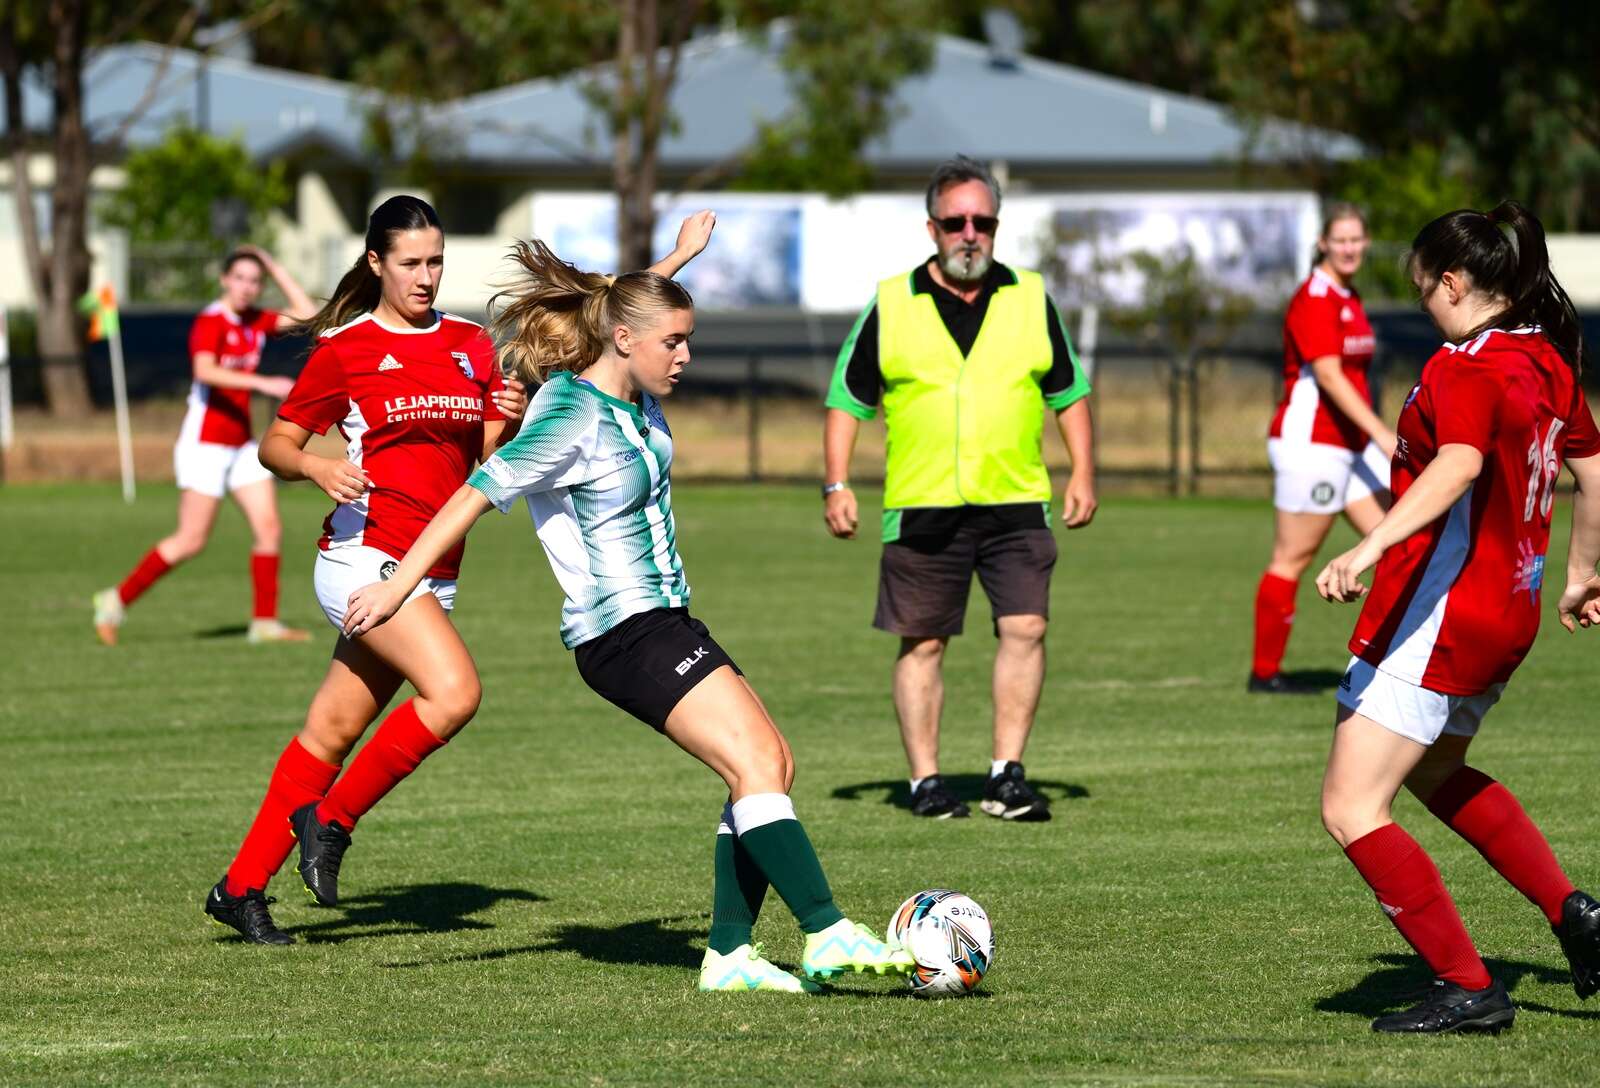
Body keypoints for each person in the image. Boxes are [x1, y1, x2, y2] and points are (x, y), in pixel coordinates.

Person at [339, 231, 916, 994]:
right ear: (623, 340)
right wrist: (397, 584)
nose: (684, 356)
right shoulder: (567, 413)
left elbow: (625, 305)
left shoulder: (632, 389)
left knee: (771, 766)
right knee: (755, 765)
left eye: (688, 340)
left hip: (666, 620)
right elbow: (475, 493)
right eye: (672, 342)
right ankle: (825, 930)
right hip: (622, 632)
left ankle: (731, 955)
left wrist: (675, 263)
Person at [202, 198, 716, 947]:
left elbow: (592, 340)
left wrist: (503, 414)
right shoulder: (345, 348)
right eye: (409, 262)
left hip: (427, 571)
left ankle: (241, 886)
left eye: (435, 261)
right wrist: (316, 467)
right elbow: (273, 446)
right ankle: (333, 819)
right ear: (375, 263)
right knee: (455, 692)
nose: (425, 276)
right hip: (363, 559)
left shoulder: (470, 343)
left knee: (331, 730)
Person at [1314, 201, 1600, 1034]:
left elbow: (1460, 465)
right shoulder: (1544, 357)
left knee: (1351, 807)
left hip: (1445, 613)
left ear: (1452, 281)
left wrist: (1364, 551)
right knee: (1436, 774)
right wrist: (1580, 574)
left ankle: (1467, 985)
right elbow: (1593, 463)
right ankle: (1575, 912)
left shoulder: (1464, 366)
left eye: (1424, 287)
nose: (1423, 303)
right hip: (1508, 609)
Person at [821, 154, 1095, 821]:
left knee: (1026, 627)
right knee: (923, 642)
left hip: (1016, 497)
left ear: (996, 225)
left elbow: (1070, 393)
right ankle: (926, 782)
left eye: (982, 221)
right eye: (955, 222)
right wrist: (836, 483)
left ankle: (1006, 775)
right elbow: (846, 400)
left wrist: (1083, 469)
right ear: (932, 227)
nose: (969, 233)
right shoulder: (891, 302)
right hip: (922, 503)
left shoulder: (1031, 296)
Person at [92, 246, 317, 645]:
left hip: (242, 444)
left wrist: (274, 266)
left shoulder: (255, 320)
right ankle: (115, 599)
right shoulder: (211, 321)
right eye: (240, 278)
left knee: (269, 529)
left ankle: (264, 624)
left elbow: (306, 312)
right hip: (206, 444)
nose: (247, 287)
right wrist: (263, 383)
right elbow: (205, 371)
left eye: (254, 280)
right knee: (191, 540)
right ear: (224, 280)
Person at [1250, 204, 1394, 694]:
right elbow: (1329, 376)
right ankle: (1265, 674)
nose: (1350, 248)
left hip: (1349, 447)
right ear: (1323, 244)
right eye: (1341, 240)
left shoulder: (1347, 297)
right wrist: (1382, 433)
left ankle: (1396, 662)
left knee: (1399, 540)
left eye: (1357, 239)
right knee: (1292, 558)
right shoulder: (1314, 296)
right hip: (1312, 444)